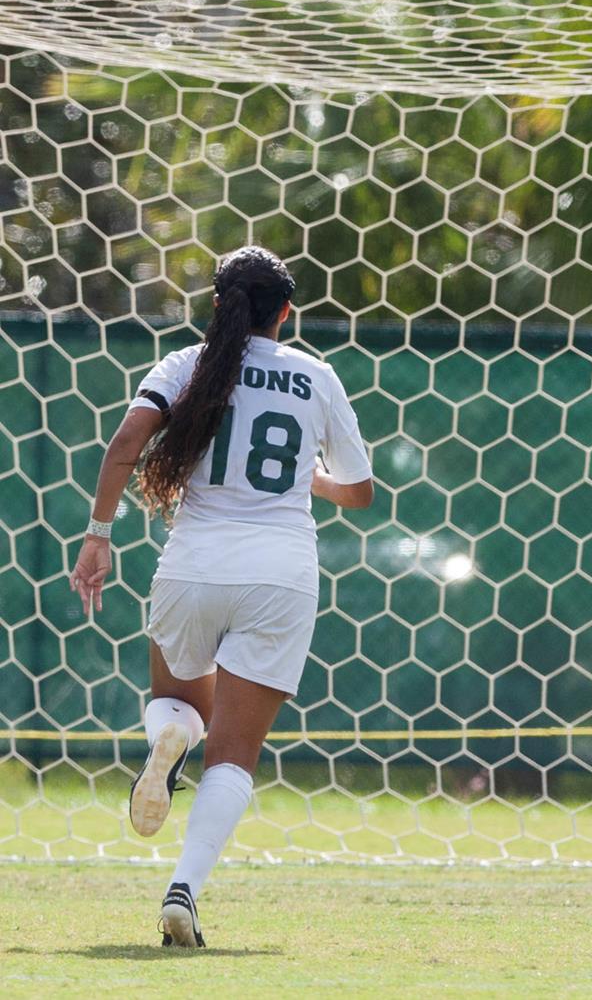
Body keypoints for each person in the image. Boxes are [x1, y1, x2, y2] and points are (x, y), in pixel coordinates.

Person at [68, 246, 374, 947]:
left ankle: (168, 738)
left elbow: (124, 443)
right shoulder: (315, 375)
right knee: (234, 753)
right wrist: (310, 480)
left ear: (217, 305)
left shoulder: (187, 366)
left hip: (193, 565)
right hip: (279, 575)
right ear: (286, 312)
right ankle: (183, 890)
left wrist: (97, 536)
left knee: (175, 702)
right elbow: (359, 492)